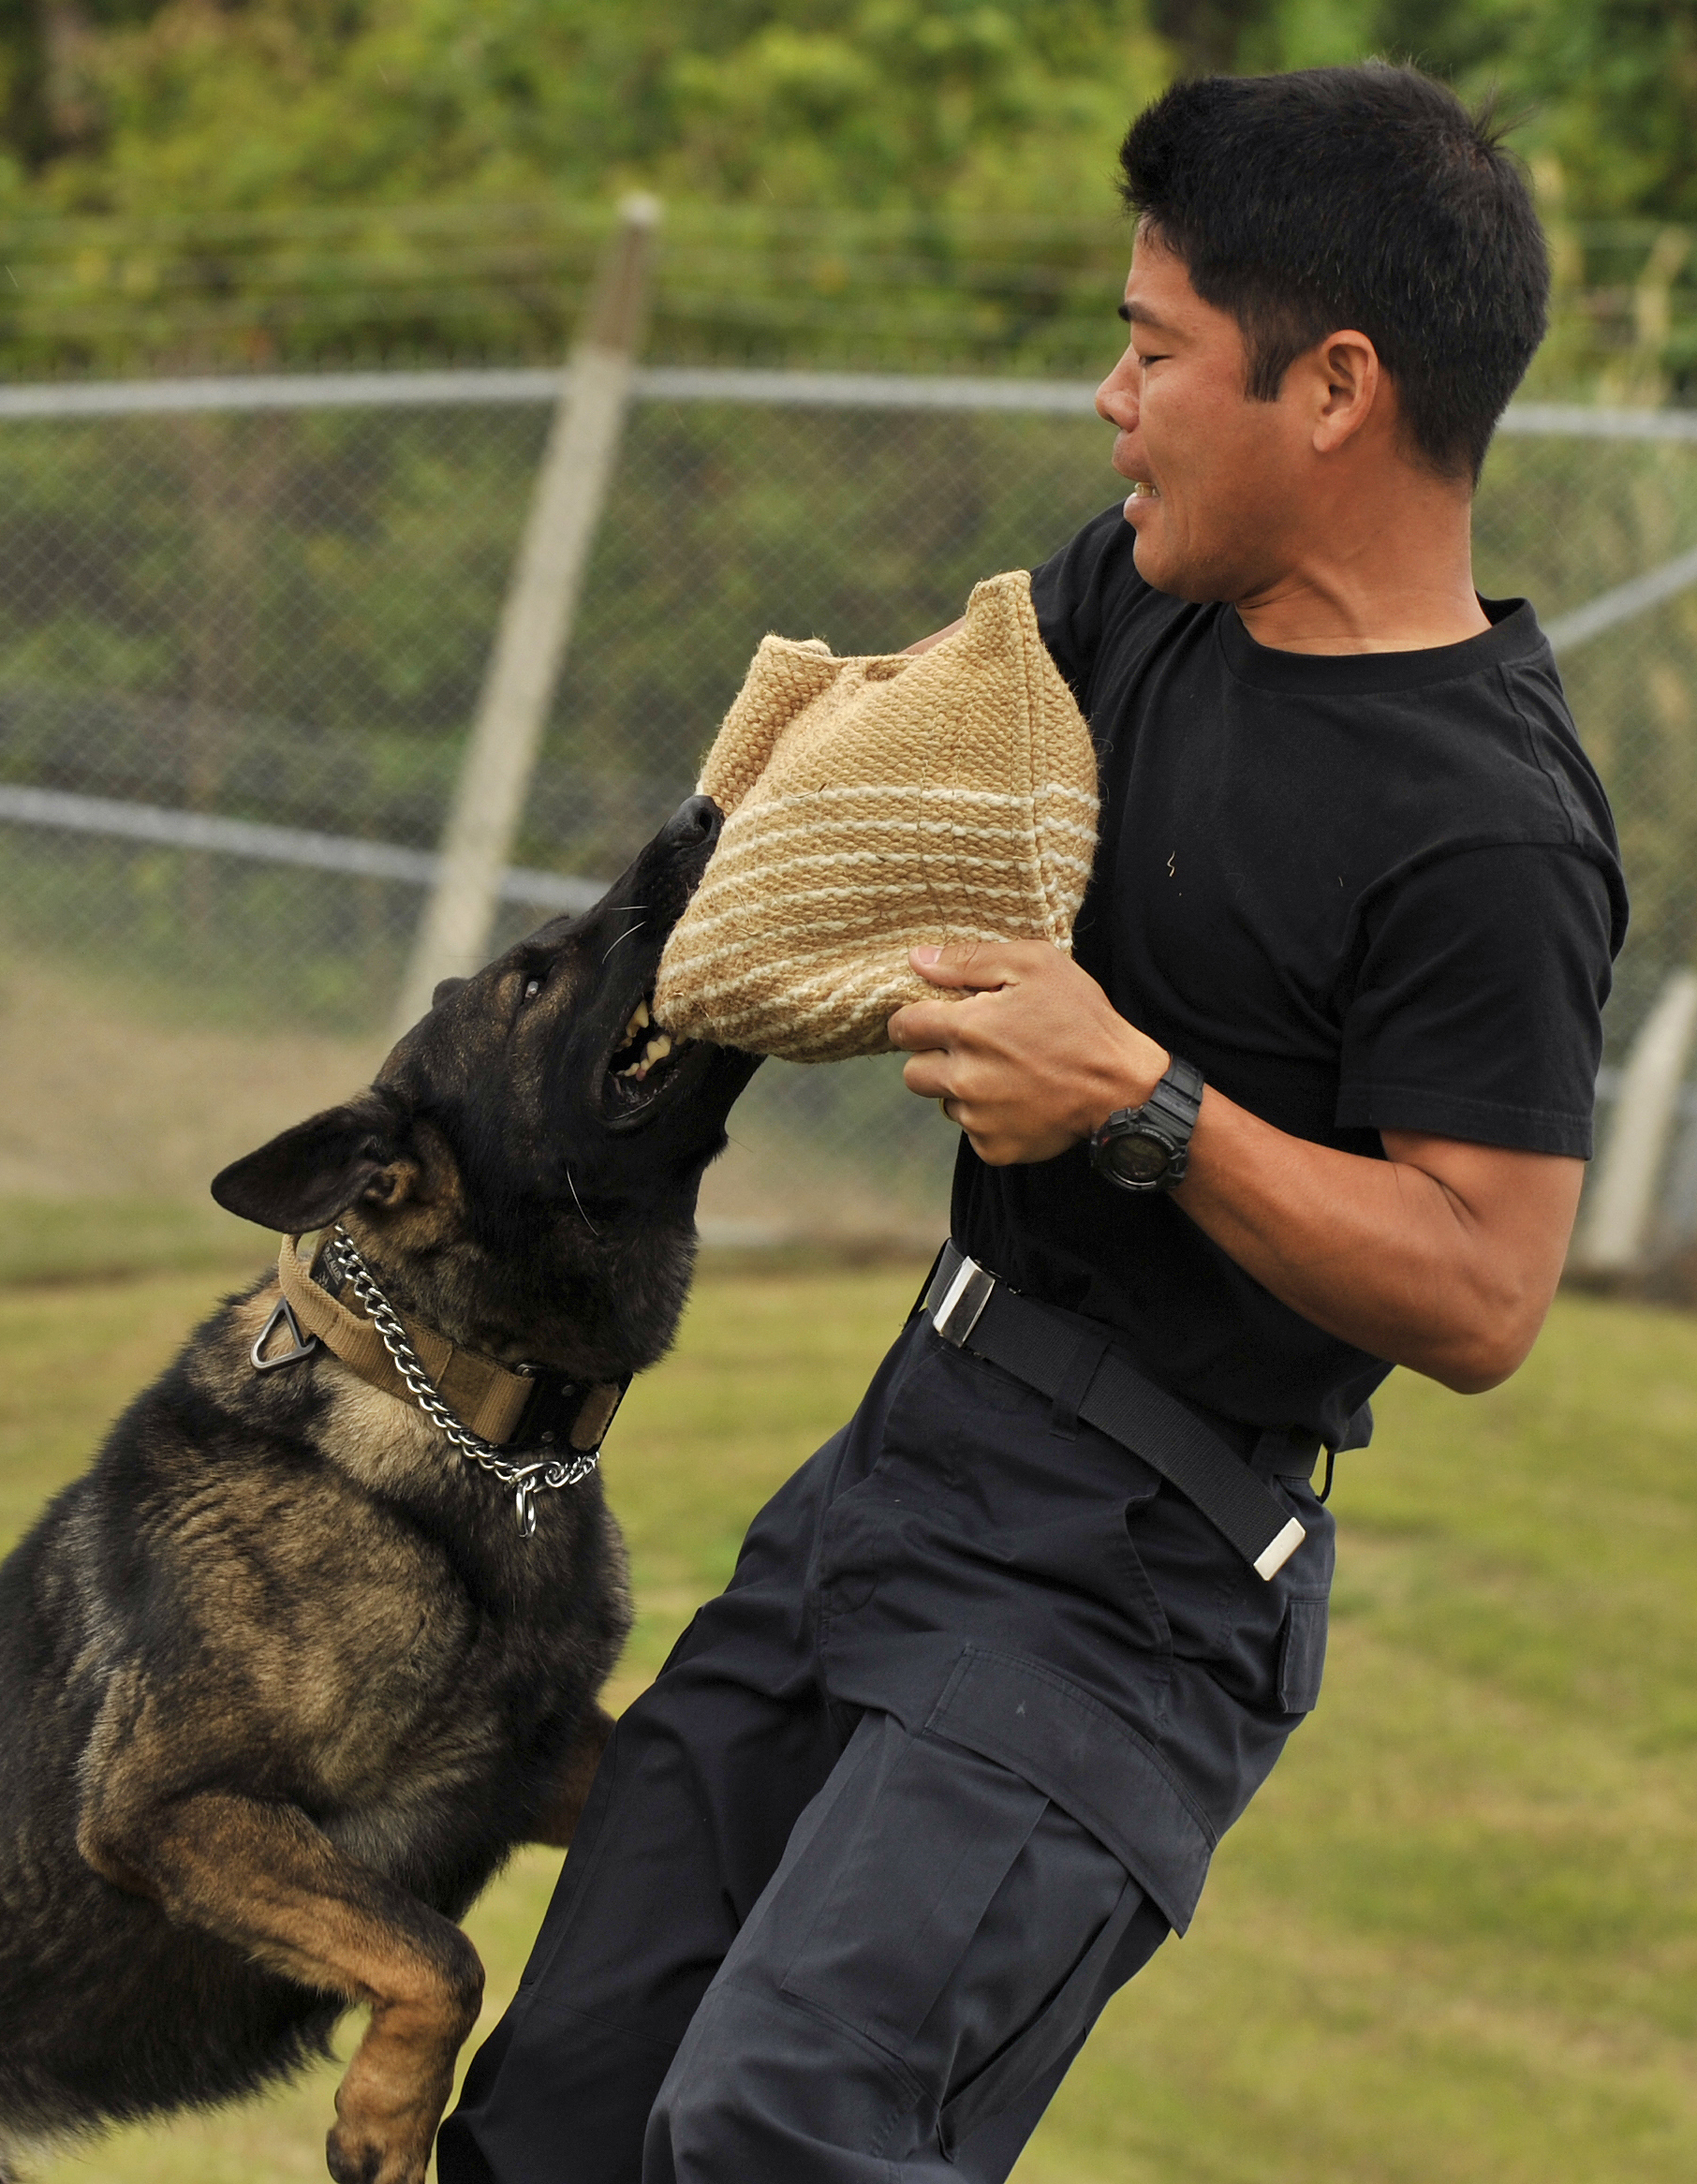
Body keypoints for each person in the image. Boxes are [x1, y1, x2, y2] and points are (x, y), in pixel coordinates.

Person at [438, 62, 1627, 2184]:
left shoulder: (1490, 832)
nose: (1109, 395)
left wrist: (1145, 1104)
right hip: (904, 1465)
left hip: (1136, 1587)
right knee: (553, 2119)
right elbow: (900, 776)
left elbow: (1482, 1284)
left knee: (785, 2127)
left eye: (1154, 349)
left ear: (1335, 385)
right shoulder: (1138, 594)